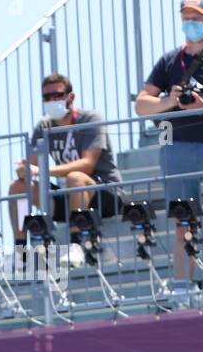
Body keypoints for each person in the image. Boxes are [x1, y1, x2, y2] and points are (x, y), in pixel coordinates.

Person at [135, 0, 203, 285]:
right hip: (176, 148)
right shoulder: (170, 60)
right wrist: (168, 102)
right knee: (183, 221)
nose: (190, 23)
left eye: (196, 18)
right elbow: (142, 104)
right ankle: (183, 288)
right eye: (186, 18)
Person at [9, 73, 122, 253]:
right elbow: (31, 169)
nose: (52, 100)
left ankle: (75, 245)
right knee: (18, 187)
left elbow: (87, 164)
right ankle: (20, 250)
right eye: (47, 97)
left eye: (58, 95)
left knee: (76, 177)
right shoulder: (43, 127)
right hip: (69, 195)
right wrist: (24, 171)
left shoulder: (91, 119)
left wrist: (40, 171)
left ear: (71, 96)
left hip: (104, 193)